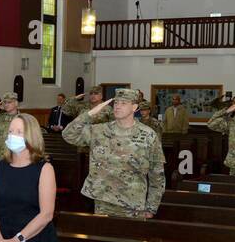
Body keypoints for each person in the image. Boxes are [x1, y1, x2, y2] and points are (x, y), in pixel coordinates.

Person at [62, 88, 165, 217]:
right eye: (116, 103)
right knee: (103, 237)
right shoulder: (100, 131)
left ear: (134, 107)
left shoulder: (148, 135)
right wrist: (89, 114)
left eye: (123, 103)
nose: (117, 107)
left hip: (133, 203)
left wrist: (151, 207)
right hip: (103, 200)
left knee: (131, 237)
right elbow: (68, 134)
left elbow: (157, 174)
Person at [0, 113, 58, 242]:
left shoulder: (44, 169)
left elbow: (46, 214)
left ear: (31, 136)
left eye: (19, 132)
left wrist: (15, 241)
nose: (13, 136)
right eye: (11, 131)